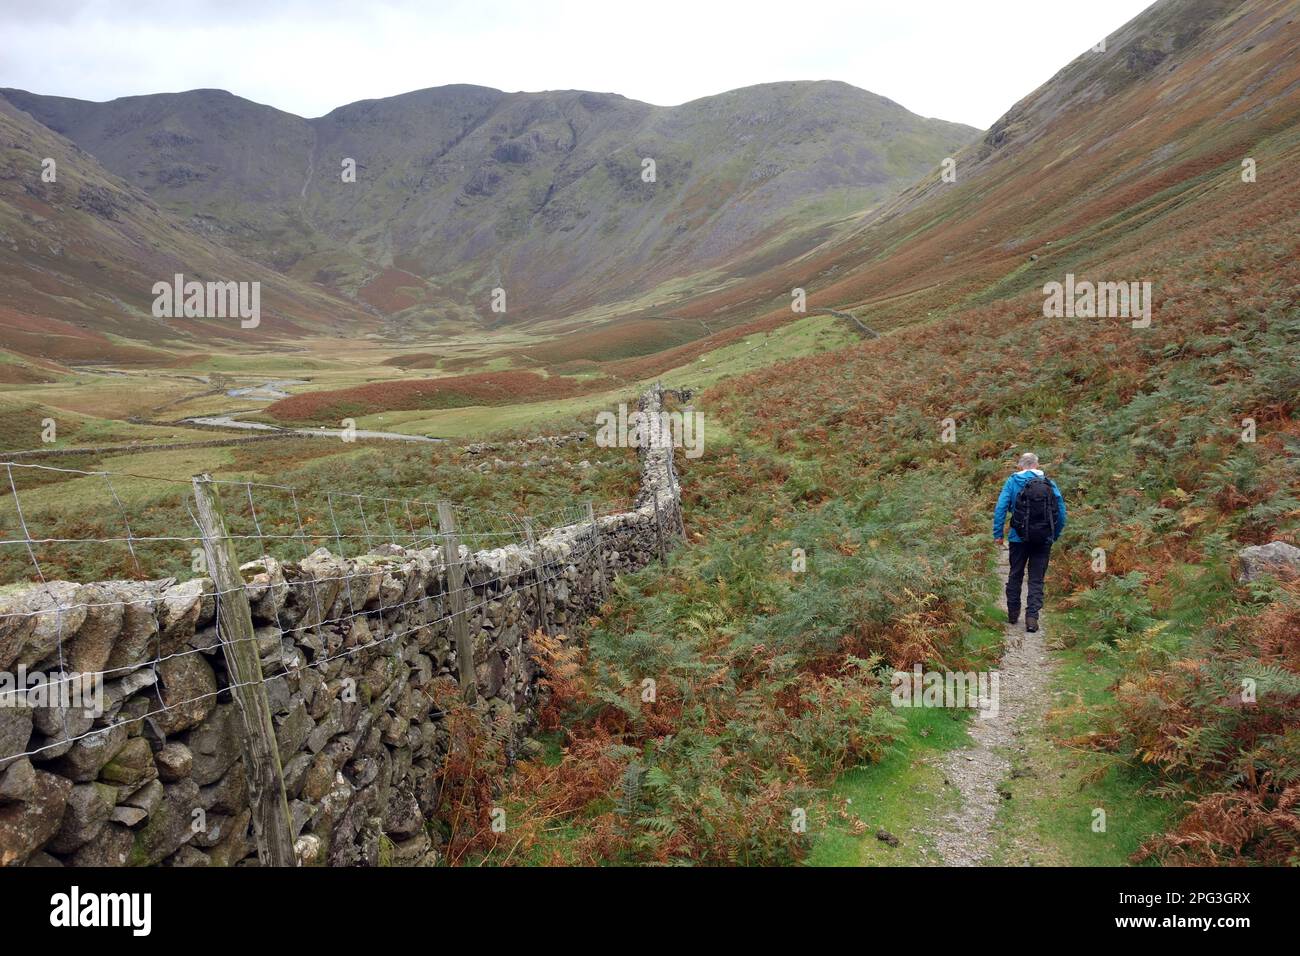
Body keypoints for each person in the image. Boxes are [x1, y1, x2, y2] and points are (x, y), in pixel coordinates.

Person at [992, 452, 1066, 632]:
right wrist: (1053, 534)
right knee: (1036, 579)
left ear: (1020, 466)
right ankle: (1032, 618)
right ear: (1037, 465)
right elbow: (1061, 512)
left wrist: (998, 534)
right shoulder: (1048, 483)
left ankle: (1012, 613)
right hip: (1043, 539)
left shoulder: (1012, 482)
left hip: (1018, 538)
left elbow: (1001, 507)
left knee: (1015, 573)